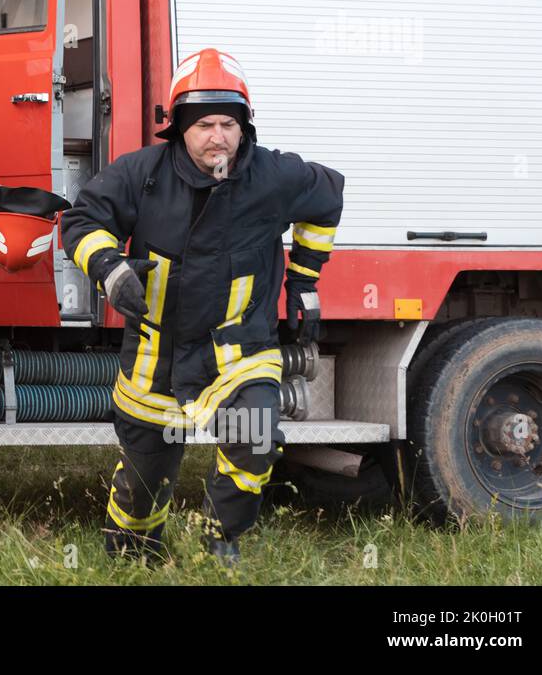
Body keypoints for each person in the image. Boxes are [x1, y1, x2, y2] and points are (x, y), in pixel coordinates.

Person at [60, 48, 344, 567]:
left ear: (244, 125)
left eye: (229, 124)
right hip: (156, 355)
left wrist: (304, 280)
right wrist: (111, 268)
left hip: (240, 350)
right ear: (179, 127)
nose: (219, 137)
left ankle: (220, 538)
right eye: (205, 125)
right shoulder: (141, 173)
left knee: (256, 440)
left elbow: (327, 198)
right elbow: (81, 220)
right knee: (144, 479)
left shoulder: (273, 175)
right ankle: (132, 553)